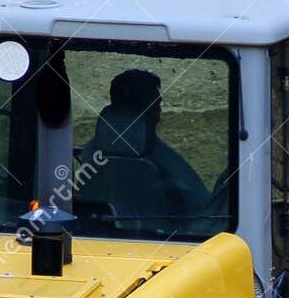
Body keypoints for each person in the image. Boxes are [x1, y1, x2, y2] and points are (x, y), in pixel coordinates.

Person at [87, 68, 212, 217]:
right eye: (156, 106)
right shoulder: (164, 160)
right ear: (141, 112)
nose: (160, 114)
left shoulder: (89, 153)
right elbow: (201, 209)